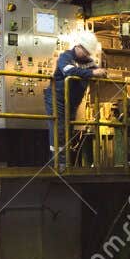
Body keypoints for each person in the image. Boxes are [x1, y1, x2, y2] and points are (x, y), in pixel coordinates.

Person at [46, 32, 105, 167]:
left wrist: (101, 73)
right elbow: (69, 71)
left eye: (88, 53)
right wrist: (92, 73)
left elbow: (97, 72)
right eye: (85, 51)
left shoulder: (88, 62)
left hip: (72, 101)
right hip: (57, 99)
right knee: (59, 130)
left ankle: (65, 163)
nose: (86, 55)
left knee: (68, 131)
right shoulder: (65, 57)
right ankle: (57, 165)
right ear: (78, 46)